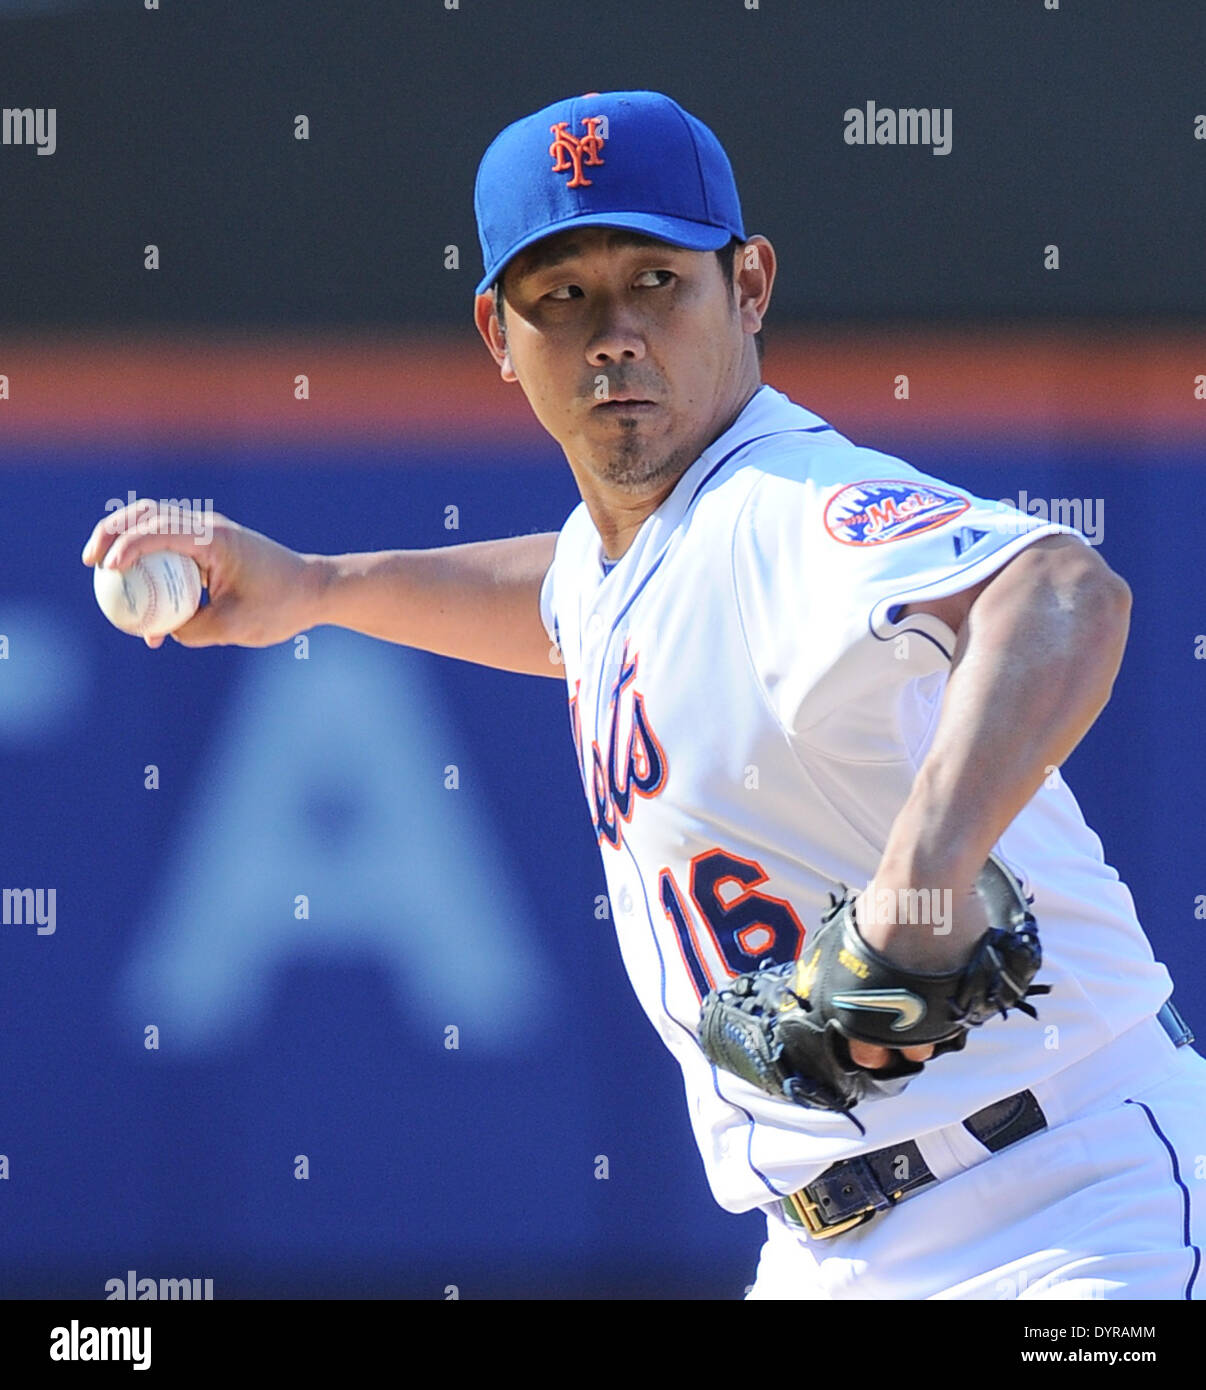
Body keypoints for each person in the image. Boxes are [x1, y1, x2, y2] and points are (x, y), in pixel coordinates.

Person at [83, 90, 1205, 1301]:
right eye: (561, 295)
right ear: (497, 335)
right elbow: (574, 602)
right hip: (829, 1251)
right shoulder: (637, 546)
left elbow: (1063, 590)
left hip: (1075, 1208)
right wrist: (316, 585)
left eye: (657, 281)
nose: (613, 332)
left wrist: (922, 876)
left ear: (751, 286)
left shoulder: (785, 506)